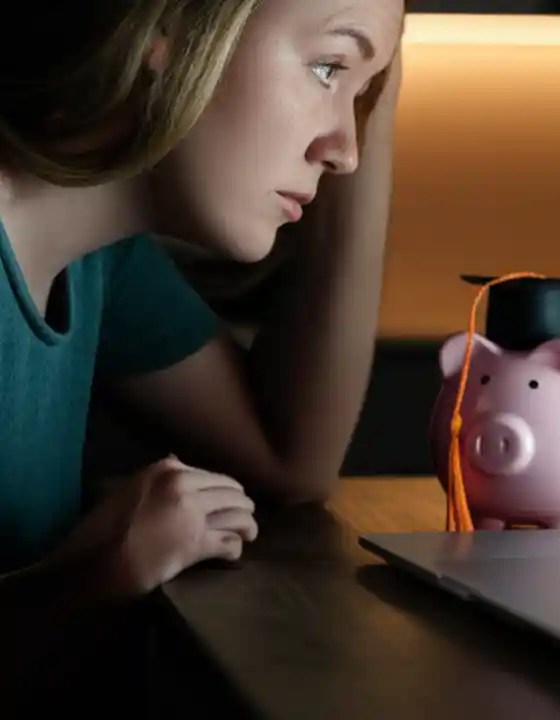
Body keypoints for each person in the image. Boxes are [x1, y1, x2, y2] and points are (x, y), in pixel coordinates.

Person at [0, 0, 405, 701]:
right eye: (325, 67)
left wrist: (377, 98)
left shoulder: (99, 261)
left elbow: (290, 460)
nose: (346, 150)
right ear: (173, 29)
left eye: (361, 95)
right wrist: (86, 579)